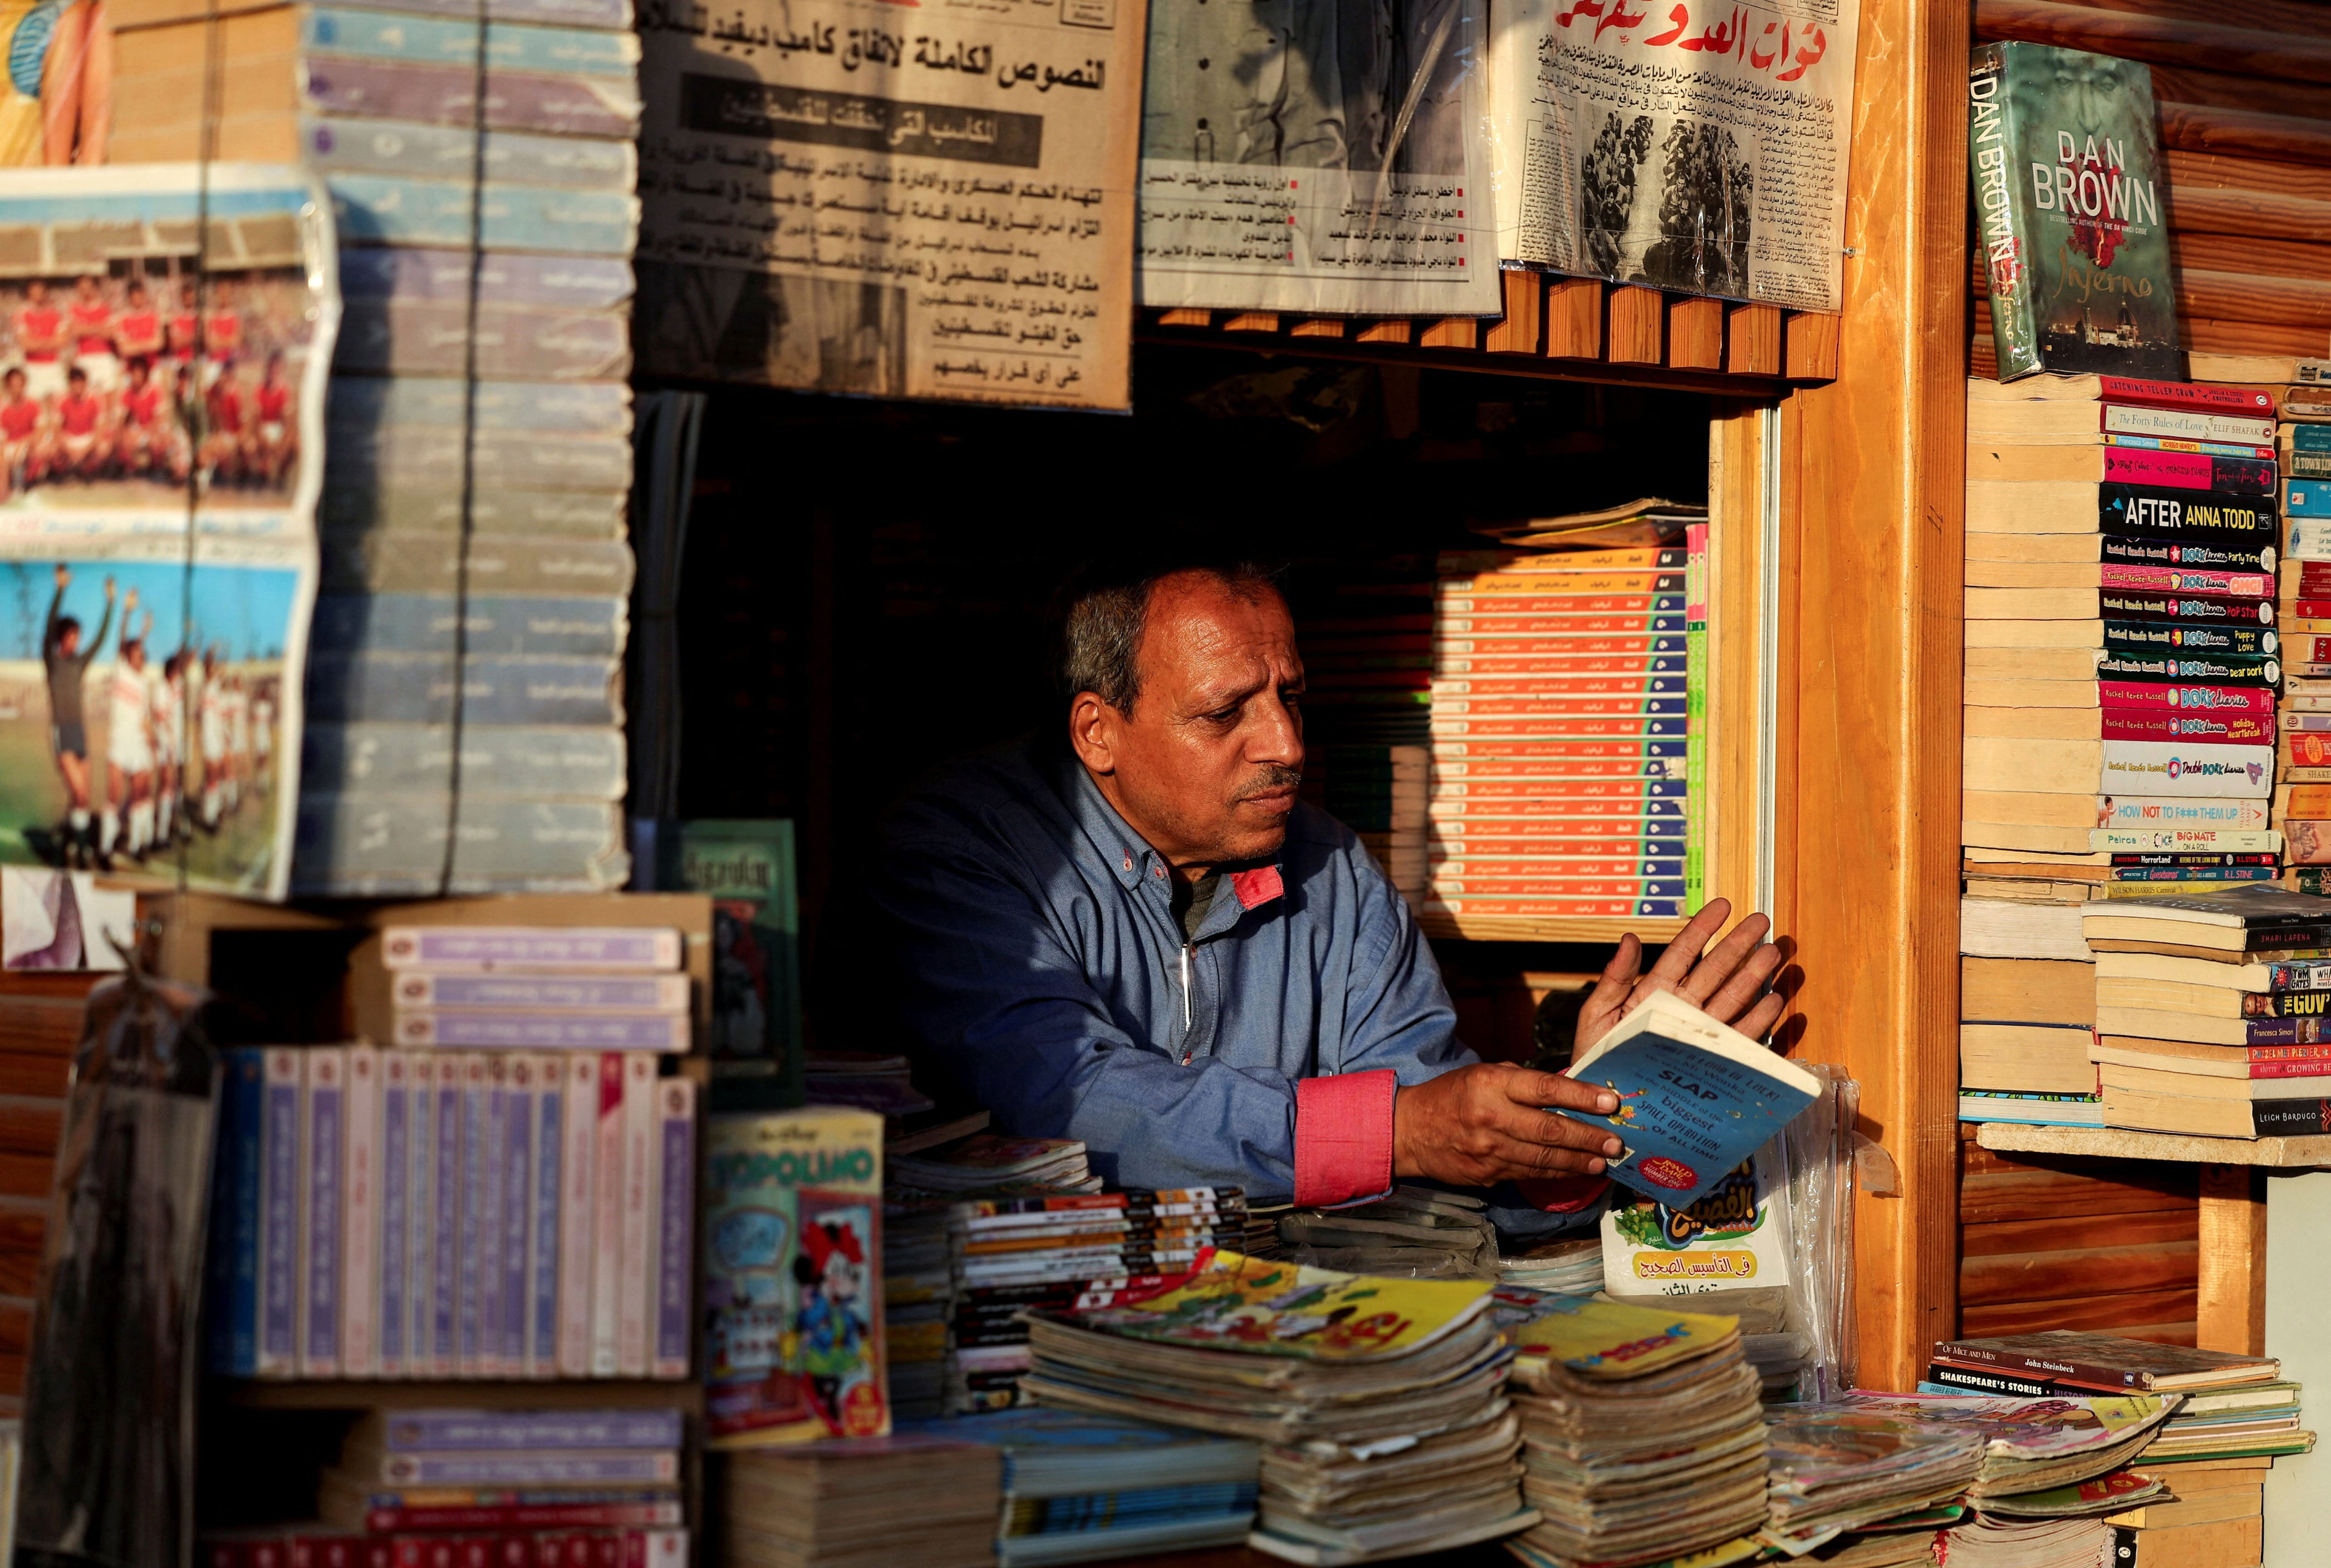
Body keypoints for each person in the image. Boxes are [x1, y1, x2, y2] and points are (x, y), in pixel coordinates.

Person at [864, 556, 1784, 1226]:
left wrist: (1574, 1119)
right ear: (1098, 732)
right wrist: (1396, 1130)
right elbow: (1067, 1103)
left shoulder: (1327, 867)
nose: (1286, 744)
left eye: (1291, 697)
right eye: (1227, 711)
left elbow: (1433, 1126)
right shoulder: (962, 848)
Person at [39, 563, 112, 864]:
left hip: (80, 733)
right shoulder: (52, 661)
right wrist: (60, 589)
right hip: (63, 734)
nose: (77, 641)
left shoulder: (80, 663)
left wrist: (109, 604)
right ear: (62, 637)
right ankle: (80, 851)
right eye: (72, 636)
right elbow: (47, 628)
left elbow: (99, 641)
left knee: (81, 799)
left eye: (78, 636)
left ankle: (64, 843)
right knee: (80, 796)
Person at [101, 606, 151, 863]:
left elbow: (144, 718)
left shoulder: (144, 684)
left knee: (141, 794)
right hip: (119, 742)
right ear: (127, 656)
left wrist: (151, 740)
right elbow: (123, 640)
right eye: (137, 654)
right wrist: (128, 614)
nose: (141, 658)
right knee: (114, 795)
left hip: (139, 744)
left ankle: (136, 845)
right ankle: (106, 848)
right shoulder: (120, 670)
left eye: (143, 655)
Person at [47, 361, 105, 478]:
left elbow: (99, 431)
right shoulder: (62, 401)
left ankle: (88, 471)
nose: (77, 386)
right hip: (69, 439)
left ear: (85, 383)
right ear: (70, 384)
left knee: (104, 448)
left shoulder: (95, 400)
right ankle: (64, 472)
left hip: (88, 438)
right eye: (74, 382)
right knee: (50, 449)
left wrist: (84, 451)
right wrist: (69, 450)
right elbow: (56, 431)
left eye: (80, 382)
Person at [13, 278, 63, 399]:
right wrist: (50, 342)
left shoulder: (55, 314)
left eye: (41, 291)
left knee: (57, 405)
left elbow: (61, 342)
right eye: (34, 292)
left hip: (53, 365)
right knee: (35, 405)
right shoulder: (21, 315)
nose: (38, 295)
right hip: (32, 367)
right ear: (28, 293)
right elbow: (26, 344)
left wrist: (37, 342)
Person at [65, 272, 113, 390]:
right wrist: (98, 328)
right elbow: (75, 331)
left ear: (94, 288)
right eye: (81, 288)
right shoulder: (74, 309)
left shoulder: (105, 308)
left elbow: (109, 333)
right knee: (87, 394)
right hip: (84, 356)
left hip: (103, 355)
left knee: (107, 392)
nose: (85, 290)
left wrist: (86, 328)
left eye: (88, 287)